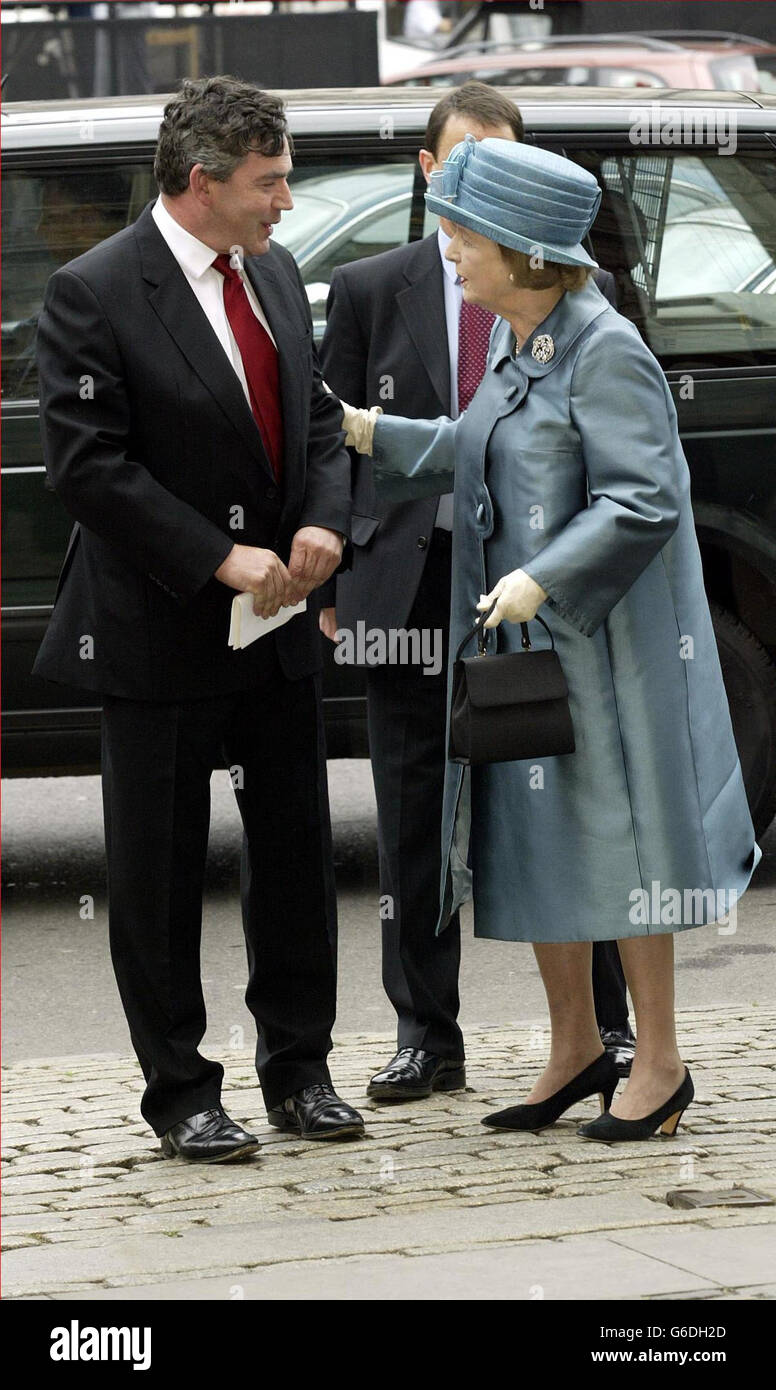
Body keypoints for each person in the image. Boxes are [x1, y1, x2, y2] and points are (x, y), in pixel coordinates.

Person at [341, 134, 761, 1140]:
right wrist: (370, 434)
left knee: (623, 848)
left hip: (600, 656)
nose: (445, 249)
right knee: (537, 842)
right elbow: (475, 446)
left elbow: (645, 497)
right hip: (524, 656)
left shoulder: (602, 347)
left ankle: (655, 1064)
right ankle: (574, 1047)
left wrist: (541, 575)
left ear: (520, 247)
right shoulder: (511, 337)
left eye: (460, 234)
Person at [33, 76, 364, 1160]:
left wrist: (322, 525)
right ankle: (180, 1091)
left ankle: (299, 1069)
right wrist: (221, 557)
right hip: (159, 624)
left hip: (276, 628)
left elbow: (316, 422)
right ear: (200, 182)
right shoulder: (93, 290)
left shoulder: (269, 272)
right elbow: (91, 472)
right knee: (160, 871)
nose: (285, 201)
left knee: (296, 854)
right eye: (268, 182)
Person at [320, 83, 635, 1104]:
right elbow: (337, 444)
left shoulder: (580, 302)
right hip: (406, 594)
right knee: (411, 817)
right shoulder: (372, 288)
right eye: (466, 166)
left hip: (530, 596)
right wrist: (334, 566)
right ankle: (425, 1034)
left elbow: (618, 466)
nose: (487, 188)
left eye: (507, 160)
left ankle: (605, 1029)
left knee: (564, 799)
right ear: (427, 171)